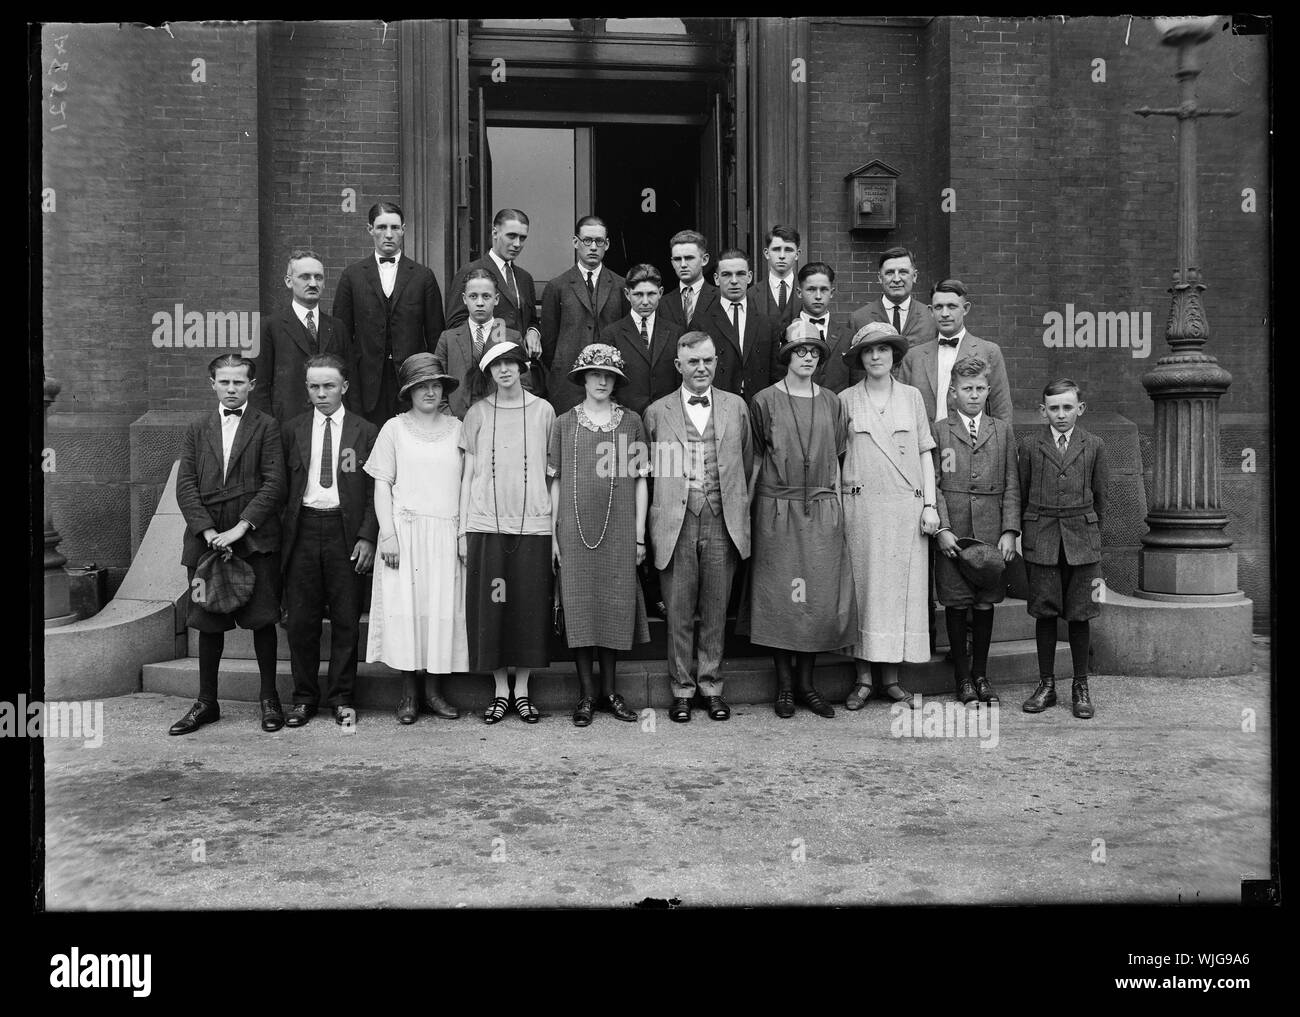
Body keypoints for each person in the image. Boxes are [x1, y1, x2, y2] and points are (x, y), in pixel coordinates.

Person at [739, 320, 857, 719]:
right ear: (786, 355)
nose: (806, 357)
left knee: (817, 599)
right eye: (799, 351)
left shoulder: (832, 401)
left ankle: (808, 685)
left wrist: (838, 510)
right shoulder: (764, 401)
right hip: (777, 509)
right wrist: (749, 515)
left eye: (813, 352)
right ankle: (785, 687)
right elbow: (755, 460)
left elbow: (839, 460)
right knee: (782, 599)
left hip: (822, 511)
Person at [170, 354, 287, 735]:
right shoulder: (196, 428)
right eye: (225, 382)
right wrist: (207, 532)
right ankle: (207, 702)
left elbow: (274, 484)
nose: (232, 389)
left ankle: (269, 699)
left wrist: (239, 529)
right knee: (207, 621)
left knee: (263, 620)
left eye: (239, 382)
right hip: (206, 543)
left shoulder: (268, 427)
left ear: (252, 385)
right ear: (213, 384)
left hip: (253, 540)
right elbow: (185, 484)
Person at [644, 332, 753, 723]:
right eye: (693, 362)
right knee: (678, 611)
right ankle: (682, 691)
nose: (702, 368)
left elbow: (747, 462)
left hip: (723, 519)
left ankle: (712, 687)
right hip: (676, 521)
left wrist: (736, 508)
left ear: (716, 361)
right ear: (679, 365)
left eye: (707, 360)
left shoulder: (736, 407)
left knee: (715, 608)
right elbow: (649, 473)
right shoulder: (656, 412)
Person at [548, 344, 650, 726]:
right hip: (573, 532)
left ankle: (609, 692)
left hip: (620, 529)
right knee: (579, 608)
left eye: (609, 375)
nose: (602, 380)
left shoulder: (632, 422)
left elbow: (641, 481)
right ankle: (586, 695)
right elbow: (554, 482)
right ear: (583, 379)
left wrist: (639, 536)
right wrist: (553, 537)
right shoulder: (563, 423)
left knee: (613, 607)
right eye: (594, 374)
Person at [839, 322, 940, 709]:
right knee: (865, 594)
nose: (876, 356)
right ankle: (863, 680)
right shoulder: (845, 399)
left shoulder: (912, 397)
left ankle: (893, 679)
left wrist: (929, 505)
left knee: (901, 596)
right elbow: (837, 461)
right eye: (869, 351)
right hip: (861, 510)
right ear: (861, 358)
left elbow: (923, 453)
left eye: (883, 349)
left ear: (895, 356)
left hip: (904, 510)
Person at [366, 353, 469, 724]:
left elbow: (469, 484)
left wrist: (462, 533)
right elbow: (382, 485)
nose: (429, 391)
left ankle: (435, 693)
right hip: (405, 535)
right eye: (421, 386)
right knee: (407, 612)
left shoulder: (459, 429)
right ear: (408, 392)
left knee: (442, 611)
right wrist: (388, 536)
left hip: (445, 533)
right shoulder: (394, 430)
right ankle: (408, 695)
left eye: (436, 384)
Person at [459, 340, 556, 724]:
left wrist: (552, 525)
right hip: (486, 525)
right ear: (489, 373)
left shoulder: (544, 411)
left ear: (522, 368)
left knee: (528, 608)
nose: (504, 371)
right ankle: (500, 690)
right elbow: (468, 474)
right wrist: (463, 529)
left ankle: (523, 690)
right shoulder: (477, 413)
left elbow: (553, 474)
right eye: (496, 366)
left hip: (533, 525)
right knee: (493, 606)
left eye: (510, 364)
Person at [280, 354, 377, 727]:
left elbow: (374, 489)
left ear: (344, 387)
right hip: (303, 529)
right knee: (301, 620)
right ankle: (304, 698)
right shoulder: (292, 430)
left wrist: (368, 536)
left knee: (346, 620)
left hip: (345, 532)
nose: (322, 393)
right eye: (314, 387)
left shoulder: (364, 431)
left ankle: (342, 697)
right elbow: (282, 489)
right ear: (306, 389)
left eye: (329, 386)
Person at [930, 355, 1021, 705]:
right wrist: (943, 529)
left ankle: (981, 675)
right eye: (966, 389)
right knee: (955, 602)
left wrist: (1010, 530)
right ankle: (962, 679)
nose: (974, 395)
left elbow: (1012, 484)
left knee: (984, 604)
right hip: (954, 531)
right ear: (953, 392)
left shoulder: (1001, 430)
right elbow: (933, 483)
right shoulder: (940, 429)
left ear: (988, 390)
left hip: (989, 529)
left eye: (980, 388)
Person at [1019, 379, 1107, 720]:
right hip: (1042, 538)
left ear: (1080, 409)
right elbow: (1023, 493)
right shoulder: (1029, 446)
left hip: (1081, 540)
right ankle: (1046, 685)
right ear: (1043, 411)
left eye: (1067, 407)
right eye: (1053, 408)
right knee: (1045, 612)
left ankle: (1080, 686)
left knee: (1080, 615)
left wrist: (1094, 540)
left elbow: (1102, 500)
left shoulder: (1094, 445)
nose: (1060, 414)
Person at [333, 201, 447, 428]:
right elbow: (341, 334)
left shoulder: (423, 276)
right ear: (370, 230)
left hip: (410, 381)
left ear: (403, 230)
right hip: (366, 383)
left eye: (395, 228)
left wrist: (431, 382)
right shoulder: (352, 275)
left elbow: (436, 335)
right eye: (382, 227)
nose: (388, 234)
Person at [540, 215, 629, 414]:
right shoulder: (557, 286)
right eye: (587, 240)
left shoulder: (620, 285)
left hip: (610, 382)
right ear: (575, 242)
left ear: (607, 244)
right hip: (568, 384)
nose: (593, 247)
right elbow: (549, 343)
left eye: (599, 241)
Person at [251, 249, 351, 424]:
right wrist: (268, 430)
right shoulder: (268, 326)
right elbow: (258, 387)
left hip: (331, 425)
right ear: (289, 281)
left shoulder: (337, 327)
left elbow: (351, 382)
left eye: (318, 277)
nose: (313, 283)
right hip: (285, 426)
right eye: (305, 277)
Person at [896, 278, 1013, 423]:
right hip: (925, 442)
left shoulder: (989, 351)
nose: (945, 313)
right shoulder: (913, 356)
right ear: (931, 311)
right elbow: (902, 408)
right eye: (938, 307)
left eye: (952, 306)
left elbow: (1001, 410)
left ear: (966, 309)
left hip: (971, 443)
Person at [445, 208, 544, 363]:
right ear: (495, 233)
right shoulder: (470, 271)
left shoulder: (524, 278)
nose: (517, 244)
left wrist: (533, 331)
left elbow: (530, 319)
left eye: (522, 238)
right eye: (511, 236)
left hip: (519, 365)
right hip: (484, 364)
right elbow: (456, 323)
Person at [432, 268, 516, 419]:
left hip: (500, 424)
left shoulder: (511, 338)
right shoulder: (448, 339)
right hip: (456, 425)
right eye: (473, 296)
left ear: (496, 299)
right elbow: (437, 385)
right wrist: (452, 422)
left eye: (486, 296)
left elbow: (523, 386)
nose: (479, 303)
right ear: (464, 299)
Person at [601, 263, 682, 417]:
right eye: (638, 294)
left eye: (651, 294)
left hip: (668, 416)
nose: (645, 301)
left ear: (660, 293)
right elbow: (606, 380)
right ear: (627, 294)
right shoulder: (612, 333)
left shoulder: (675, 332)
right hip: (625, 417)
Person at [701, 248, 781, 403]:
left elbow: (776, 372)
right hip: (719, 405)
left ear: (749, 276)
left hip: (758, 404)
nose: (734, 280)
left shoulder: (767, 322)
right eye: (726, 274)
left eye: (740, 274)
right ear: (716, 279)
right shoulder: (703, 323)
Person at [848, 246, 939, 348]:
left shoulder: (931, 317)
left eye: (903, 272)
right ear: (880, 278)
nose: (896, 279)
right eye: (889, 273)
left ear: (914, 276)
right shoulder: (858, 319)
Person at [792, 261, 855, 393]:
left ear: (832, 292)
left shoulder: (848, 336)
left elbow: (855, 384)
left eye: (824, 289)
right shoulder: (785, 332)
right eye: (811, 289)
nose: (818, 296)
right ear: (799, 292)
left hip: (837, 409)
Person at [659, 229, 717, 330]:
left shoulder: (721, 298)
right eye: (677, 259)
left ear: (704, 259)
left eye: (689, 258)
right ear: (672, 262)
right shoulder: (662, 303)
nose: (683, 265)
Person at [746, 224, 801, 328]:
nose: (782, 256)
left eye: (788, 250)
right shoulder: (750, 295)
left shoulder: (808, 292)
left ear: (797, 254)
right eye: (776, 249)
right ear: (767, 253)